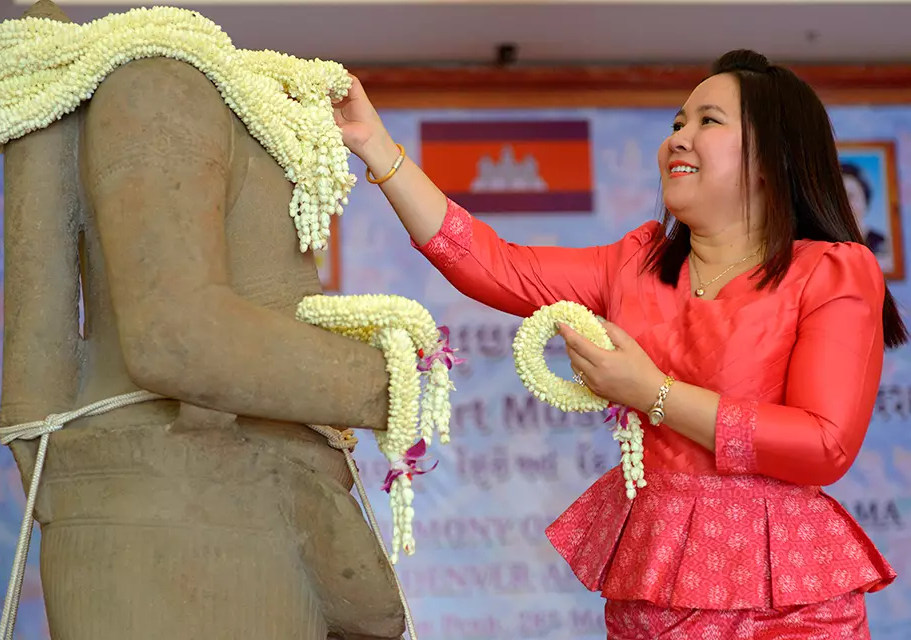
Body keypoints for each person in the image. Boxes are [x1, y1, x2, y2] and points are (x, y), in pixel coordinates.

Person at [334, 49, 907, 638]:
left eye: (708, 121)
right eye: (677, 124)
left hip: (788, 596)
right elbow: (491, 263)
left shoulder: (831, 270)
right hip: (656, 585)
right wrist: (377, 144)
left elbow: (824, 444)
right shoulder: (636, 267)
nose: (680, 138)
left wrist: (653, 393)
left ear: (773, 157)